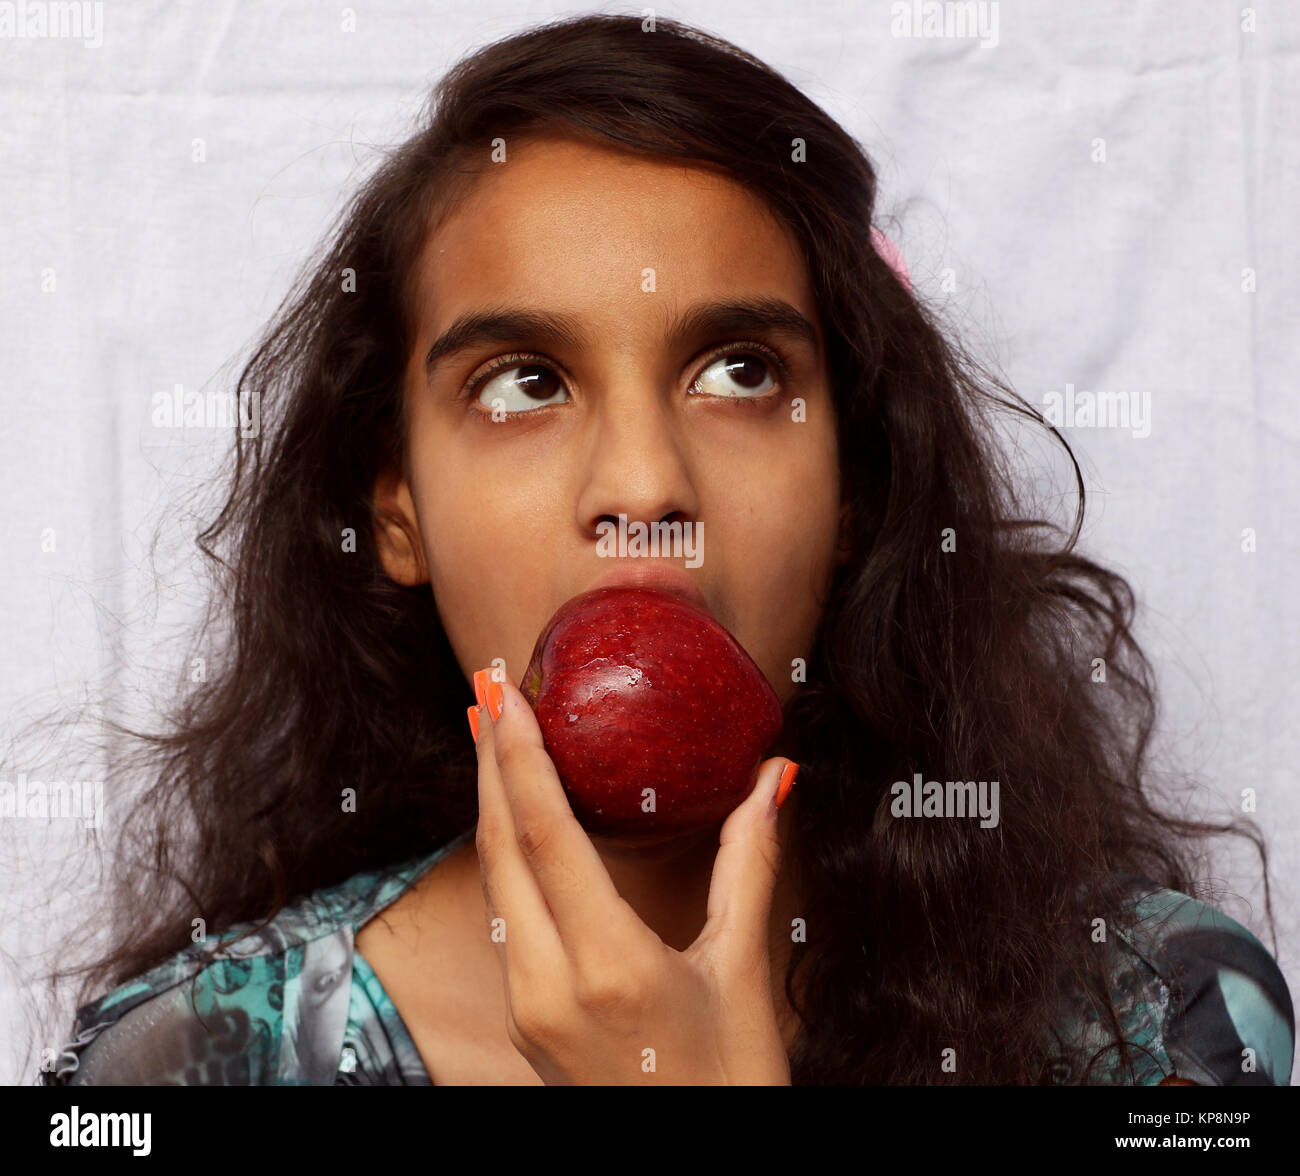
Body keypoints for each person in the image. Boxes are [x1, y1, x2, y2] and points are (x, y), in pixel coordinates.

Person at [37, 13, 1293, 1086]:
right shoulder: (188, 1066)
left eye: (739, 372)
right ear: (400, 510)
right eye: (524, 383)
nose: (642, 486)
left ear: (855, 484)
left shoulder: (1161, 1021)